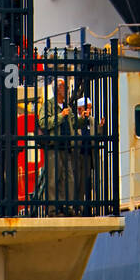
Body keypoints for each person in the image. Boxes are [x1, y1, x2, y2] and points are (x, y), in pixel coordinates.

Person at [36, 76, 77, 212]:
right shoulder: (48, 105)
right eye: (64, 87)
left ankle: (67, 206)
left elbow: (73, 123)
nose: (66, 90)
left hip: (66, 146)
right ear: (57, 89)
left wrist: (83, 118)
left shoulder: (67, 107)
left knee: (68, 179)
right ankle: (52, 208)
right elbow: (43, 123)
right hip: (53, 146)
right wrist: (61, 116)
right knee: (53, 179)